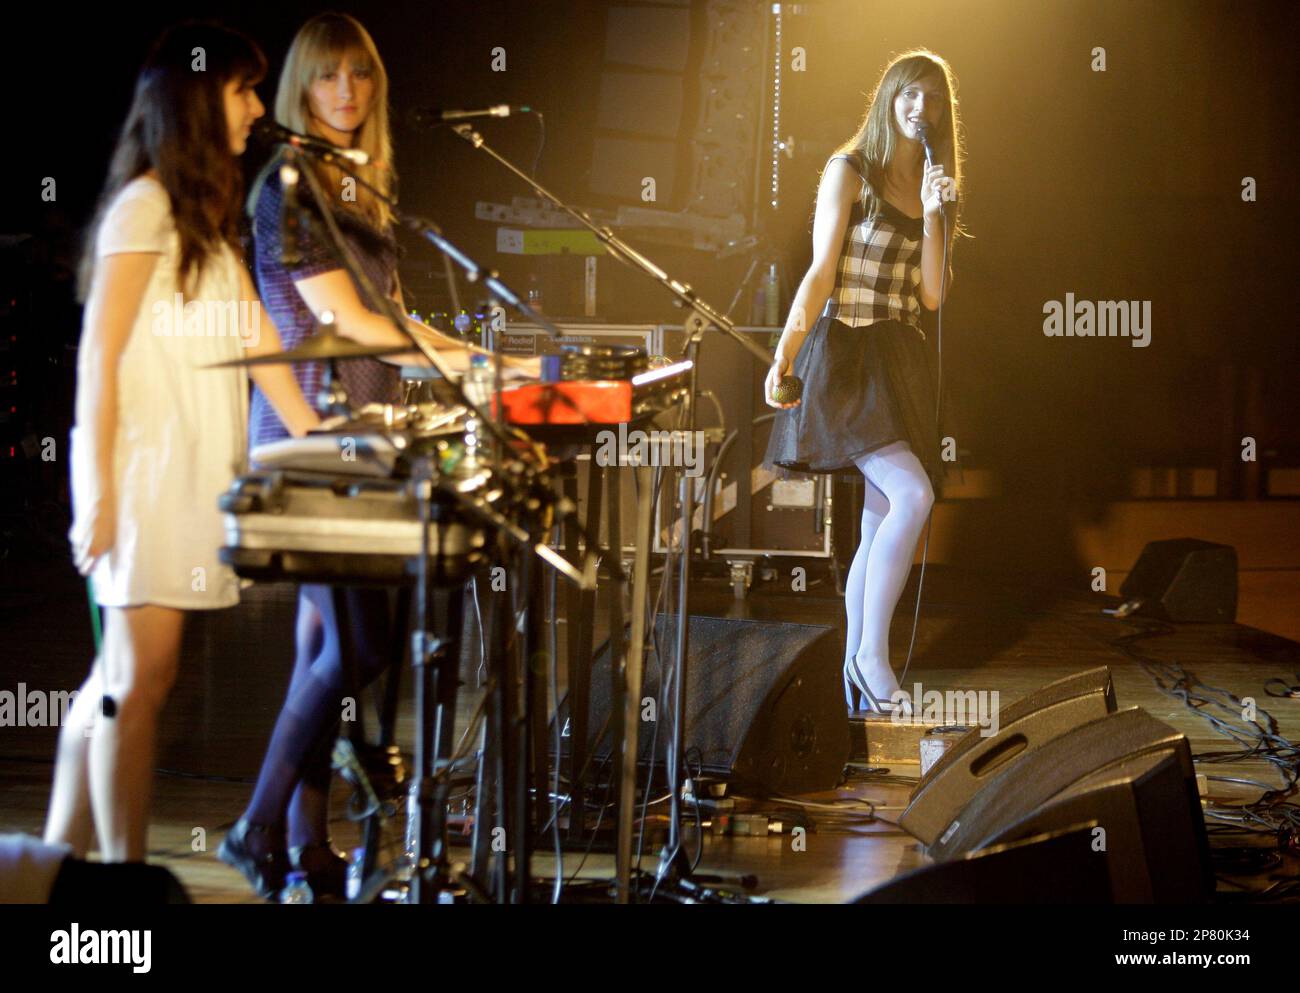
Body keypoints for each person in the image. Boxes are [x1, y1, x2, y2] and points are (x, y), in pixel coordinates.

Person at [218, 13, 528, 900]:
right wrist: (466, 364)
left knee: (328, 645)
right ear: (300, 89)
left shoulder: (362, 185)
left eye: (359, 75)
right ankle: (253, 823)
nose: (346, 92)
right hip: (314, 439)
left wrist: (488, 361)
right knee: (353, 646)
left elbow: (393, 315)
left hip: (366, 435)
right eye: (327, 77)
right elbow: (349, 322)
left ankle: (308, 843)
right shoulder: (289, 183)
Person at [46, 22, 321, 863]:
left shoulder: (202, 219)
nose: (253, 108)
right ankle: (119, 884)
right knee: (136, 689)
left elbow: (263, 352)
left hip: (186, 486)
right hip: (141, 486)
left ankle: (54, 864)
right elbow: (99, 357)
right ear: (196, 99)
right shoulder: (145, 206)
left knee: (114, 688)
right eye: (241, 89)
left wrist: (337, 440)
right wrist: (94, 497)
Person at [764, 50, 965, 715]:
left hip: (899, 360)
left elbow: (933, 295)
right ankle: (870, 658)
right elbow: (821, 272)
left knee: (883, 518)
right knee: (913, 494)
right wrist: (785, 352)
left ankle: (859, 673)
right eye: (909, 94)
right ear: (888, 100)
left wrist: (939, 215)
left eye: (932, 99)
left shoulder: (934, 185)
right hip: (847, 354)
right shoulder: (850, 171)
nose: (920, 108)